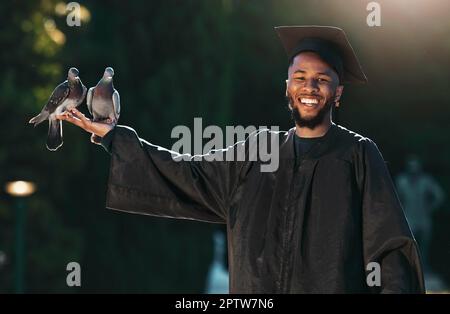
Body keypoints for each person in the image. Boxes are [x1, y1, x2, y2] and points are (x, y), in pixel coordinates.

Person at [57, 25, 424, 293]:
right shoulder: (255, 152)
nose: (309, 88)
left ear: (338, 92)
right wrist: (116, 138)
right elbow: (188, 173)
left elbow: (390, 250)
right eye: (299, 77)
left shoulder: (357, 155)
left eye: (322, 80)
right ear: (287, 87)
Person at [396, 155, 445, 272]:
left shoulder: (426, 181)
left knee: (424, 246)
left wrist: (430, 208)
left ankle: (423, 268)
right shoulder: (402, 181)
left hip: (423, 217)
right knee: (408, 244)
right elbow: (396, 198)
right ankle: (409, 267)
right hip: (408, 218)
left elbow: (439, 195)